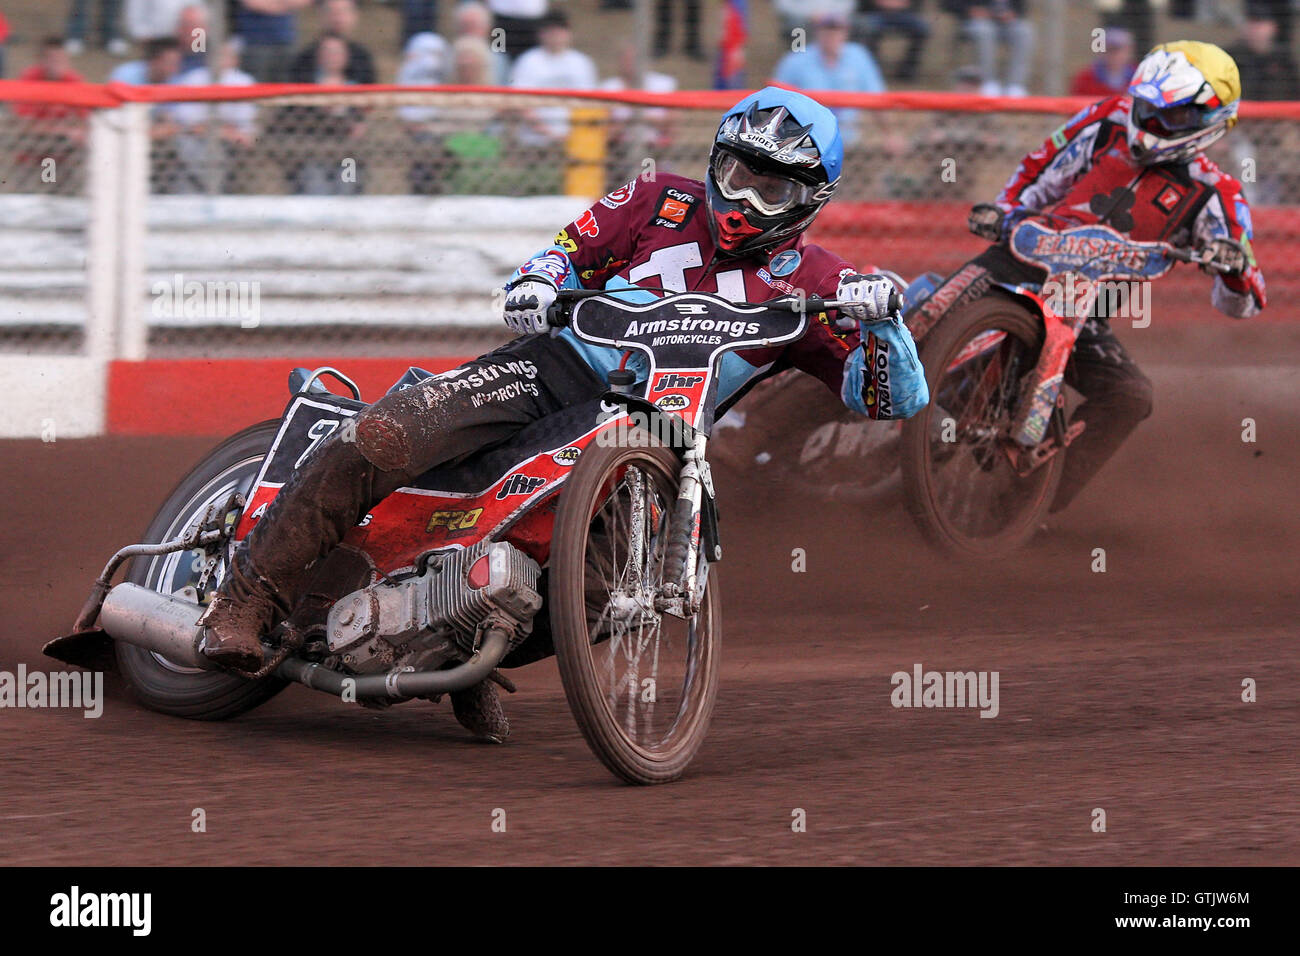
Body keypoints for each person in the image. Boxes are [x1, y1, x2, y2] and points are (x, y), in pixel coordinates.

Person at [197, 87, 929, 740]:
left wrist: (884, 323)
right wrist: (538, 285)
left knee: (610, 593)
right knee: (391, 430)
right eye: (736, 174)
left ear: (809, 199)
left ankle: (463, 647)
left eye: (770, 188)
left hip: (661, 441)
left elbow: (890, 400)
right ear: (715, 161)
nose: (743, 200)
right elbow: (563, 255)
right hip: (550, 373)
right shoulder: (659, 201)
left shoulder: (821, 282)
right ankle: (245, 599)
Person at [914, 41, 1265, 514]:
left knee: (1131, 396)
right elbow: (1039, 170)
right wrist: (1007, 210)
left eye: (1169, 116)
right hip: (1022, 260)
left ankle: (1025, 510)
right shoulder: (1107, 122)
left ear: (1210, 119)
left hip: (1086, 310)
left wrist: (1235, 267)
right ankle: (833, 387)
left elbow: (1242, 302)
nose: (1150, 123)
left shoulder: (1215, 194)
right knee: (928, 315)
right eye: (1147, 108)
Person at [773, 9, 885, 145]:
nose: (831, 35)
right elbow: (775, 100)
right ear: (817, 32)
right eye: (826, 29)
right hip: (806, 140)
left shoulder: (859, 56)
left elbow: (878, 99)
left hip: (850, 138)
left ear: (846, 32)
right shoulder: (795, 60)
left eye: (837, 30)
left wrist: (889, 134)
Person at [945, 0, 1034, 96]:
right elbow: (948, 4)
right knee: (985, 30)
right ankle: (988, 83)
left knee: (1024, 31)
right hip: (974, 21)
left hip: (1006, 24)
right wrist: (971, 10)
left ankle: (1015, 85)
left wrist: (1012, 13)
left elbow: (1022, 7)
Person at [288, 0, 376, 84]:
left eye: (343, 11)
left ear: (355, 15)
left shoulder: (363, 58)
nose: (337, 18)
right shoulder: (304, 59)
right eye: (331, 11)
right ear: (320, 14)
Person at [1226, 14, 1300, 102]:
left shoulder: (1284, 62)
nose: (1254, 30)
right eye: (1251, 23)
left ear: (1274, 28)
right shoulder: (1230, 57)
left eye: (1260, 24)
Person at [234, 0, 312, 81]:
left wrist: (274, 4)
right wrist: (284, 5)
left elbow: (302, 2)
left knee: (286, 85)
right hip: (257, 43)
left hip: (286, 41)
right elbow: (253, 3)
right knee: (257, 86)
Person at [855, 0, 930, 82]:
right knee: (868, 28)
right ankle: (873, 67)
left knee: (922, 28)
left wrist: (897, 5)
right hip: (875, 13)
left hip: (904, 14)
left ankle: (908, 70)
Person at [1068, 26, 1136, 97]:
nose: (1114, 55)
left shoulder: (1140, 77)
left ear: (1129, 51)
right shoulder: (1085, 78)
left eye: (1118, 50)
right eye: (1108, 49)